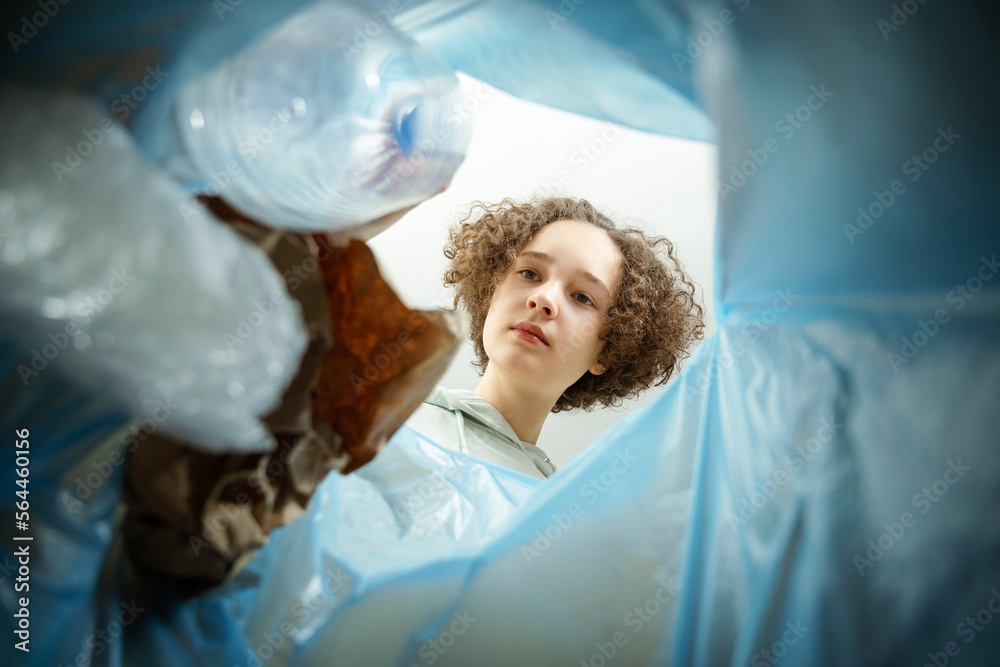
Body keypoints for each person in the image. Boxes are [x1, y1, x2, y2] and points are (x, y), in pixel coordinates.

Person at [404, 196, 705, 479]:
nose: (543, 298)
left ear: (607, 353)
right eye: (530, 274)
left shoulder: (558, 514)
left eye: (582, 297)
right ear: (489, 294)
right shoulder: (383, 412)